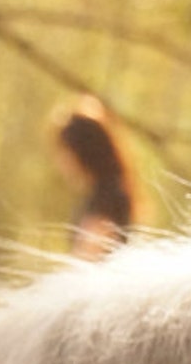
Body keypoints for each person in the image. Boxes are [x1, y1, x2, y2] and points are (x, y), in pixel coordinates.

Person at [51, 96, 141, 259]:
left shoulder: (106, 199)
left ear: (82, 152)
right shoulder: (105, 194)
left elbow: (89, 256)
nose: (61, 162)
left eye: (66, 153)